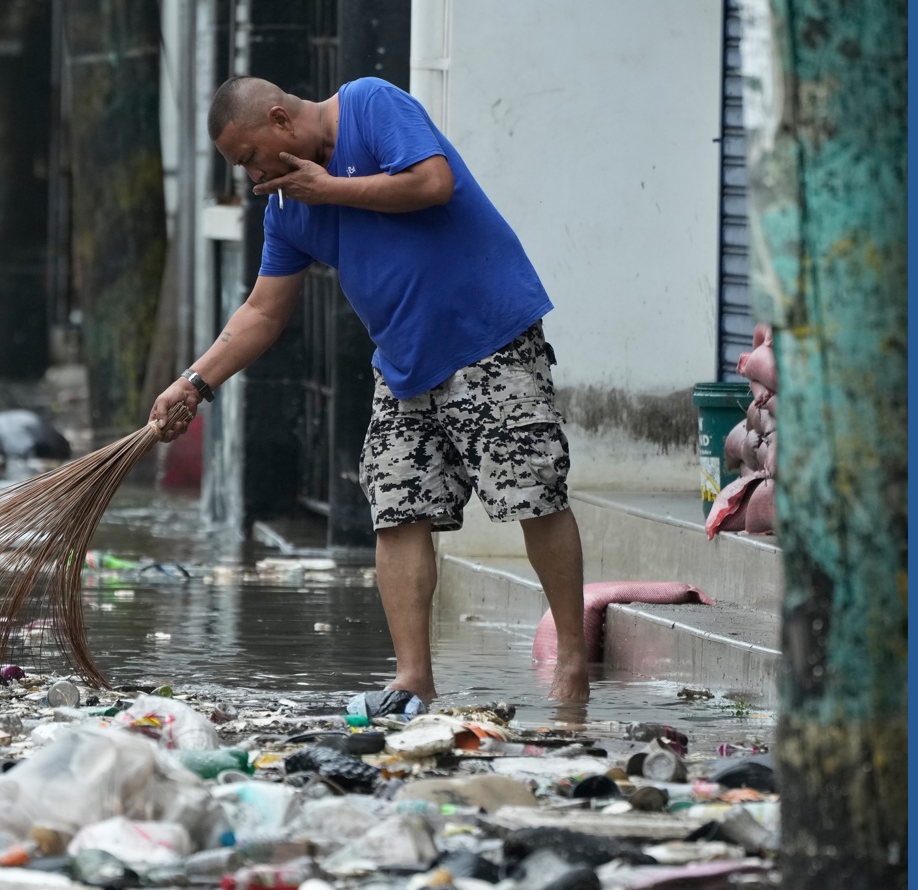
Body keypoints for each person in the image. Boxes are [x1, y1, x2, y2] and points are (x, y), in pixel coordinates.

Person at [150, 75, 589, 706]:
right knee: (396, 508)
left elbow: (433, 183)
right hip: (405, 366)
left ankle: (572, 666)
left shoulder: (369, 104)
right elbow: (264, 312)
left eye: (248, 158)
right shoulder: (286, 207)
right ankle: (413, 681)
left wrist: (329, 189)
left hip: (487, 337)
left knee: (531, 495)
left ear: (279, 121)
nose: (250, 177)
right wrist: (194, 381)